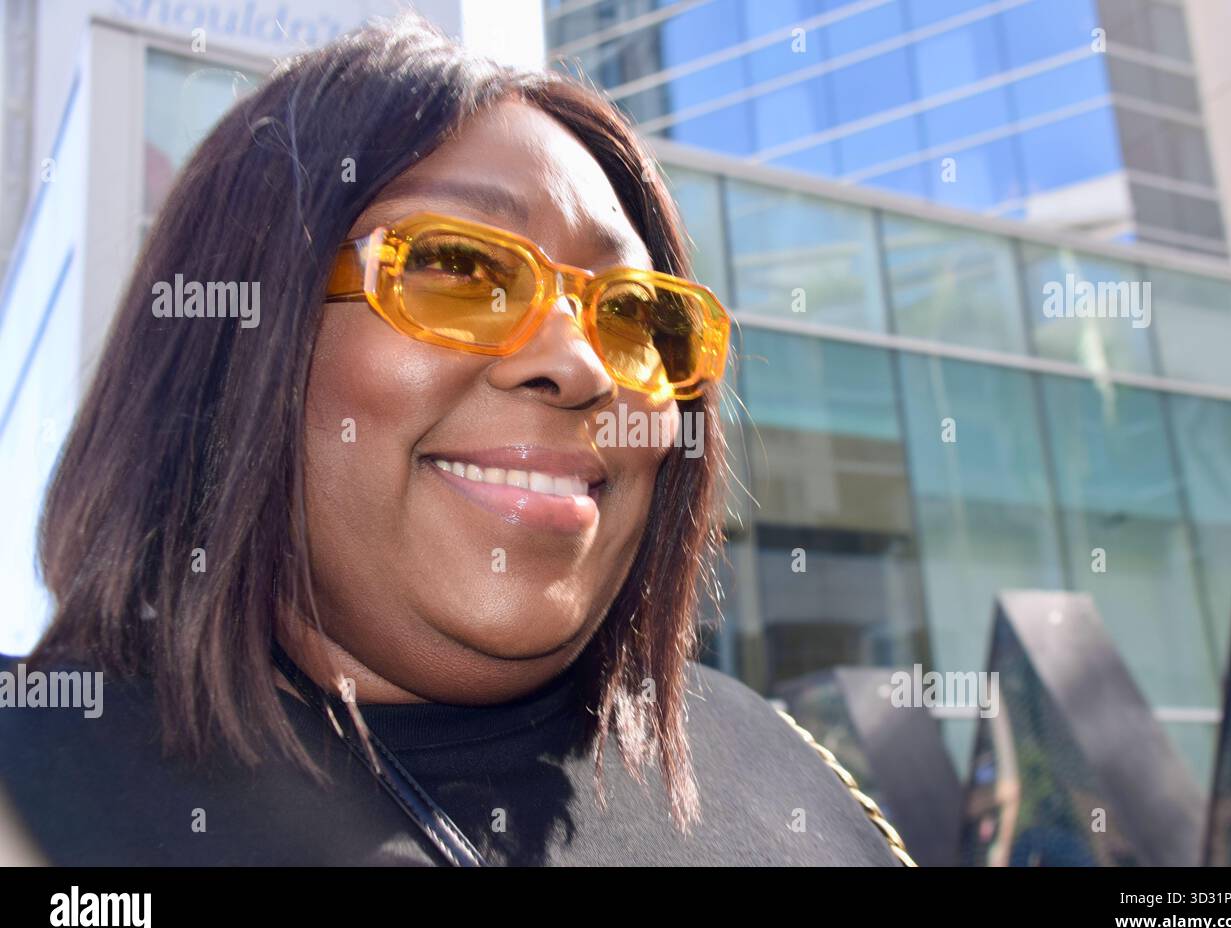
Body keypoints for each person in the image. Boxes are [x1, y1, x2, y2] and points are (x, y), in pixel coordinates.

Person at [0, 14, 911, 867]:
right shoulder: (35, 784)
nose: (580, 364)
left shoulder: (786, 784)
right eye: (457, 268)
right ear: (237, 337)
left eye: (633, 313)